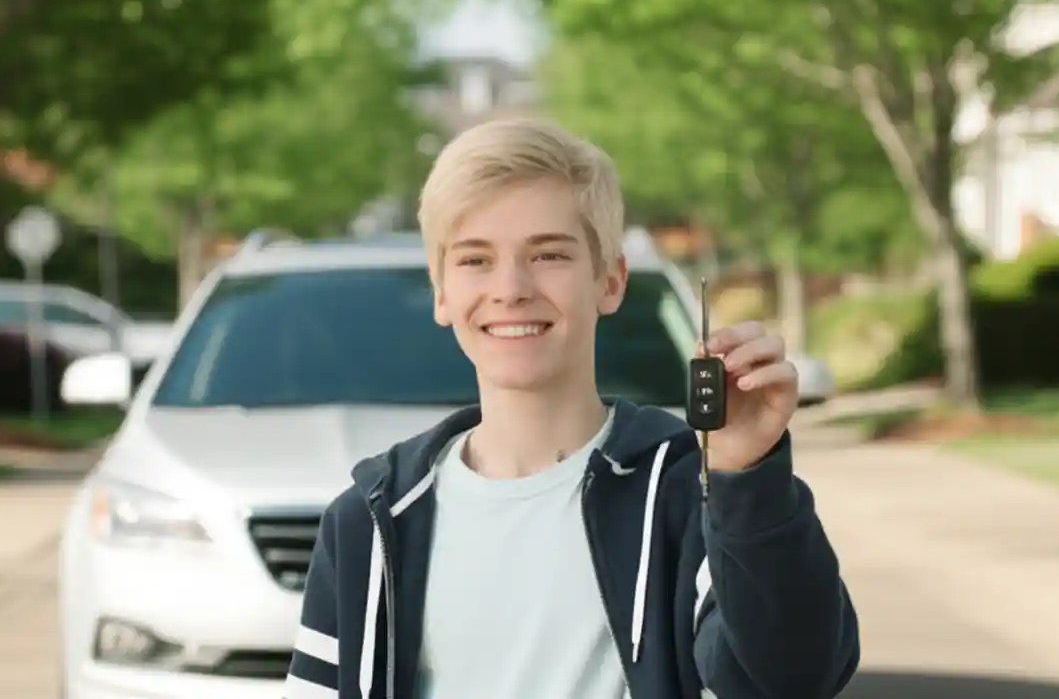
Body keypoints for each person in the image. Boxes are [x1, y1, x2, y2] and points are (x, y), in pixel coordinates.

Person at [283, 117, 859, 698]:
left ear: (610, 281)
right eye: (475, 259)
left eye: (548, 255)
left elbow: (793, 680)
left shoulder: (689, 492)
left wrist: (748, 477)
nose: (510, 288)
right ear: (441, 291)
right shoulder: (371, 519)